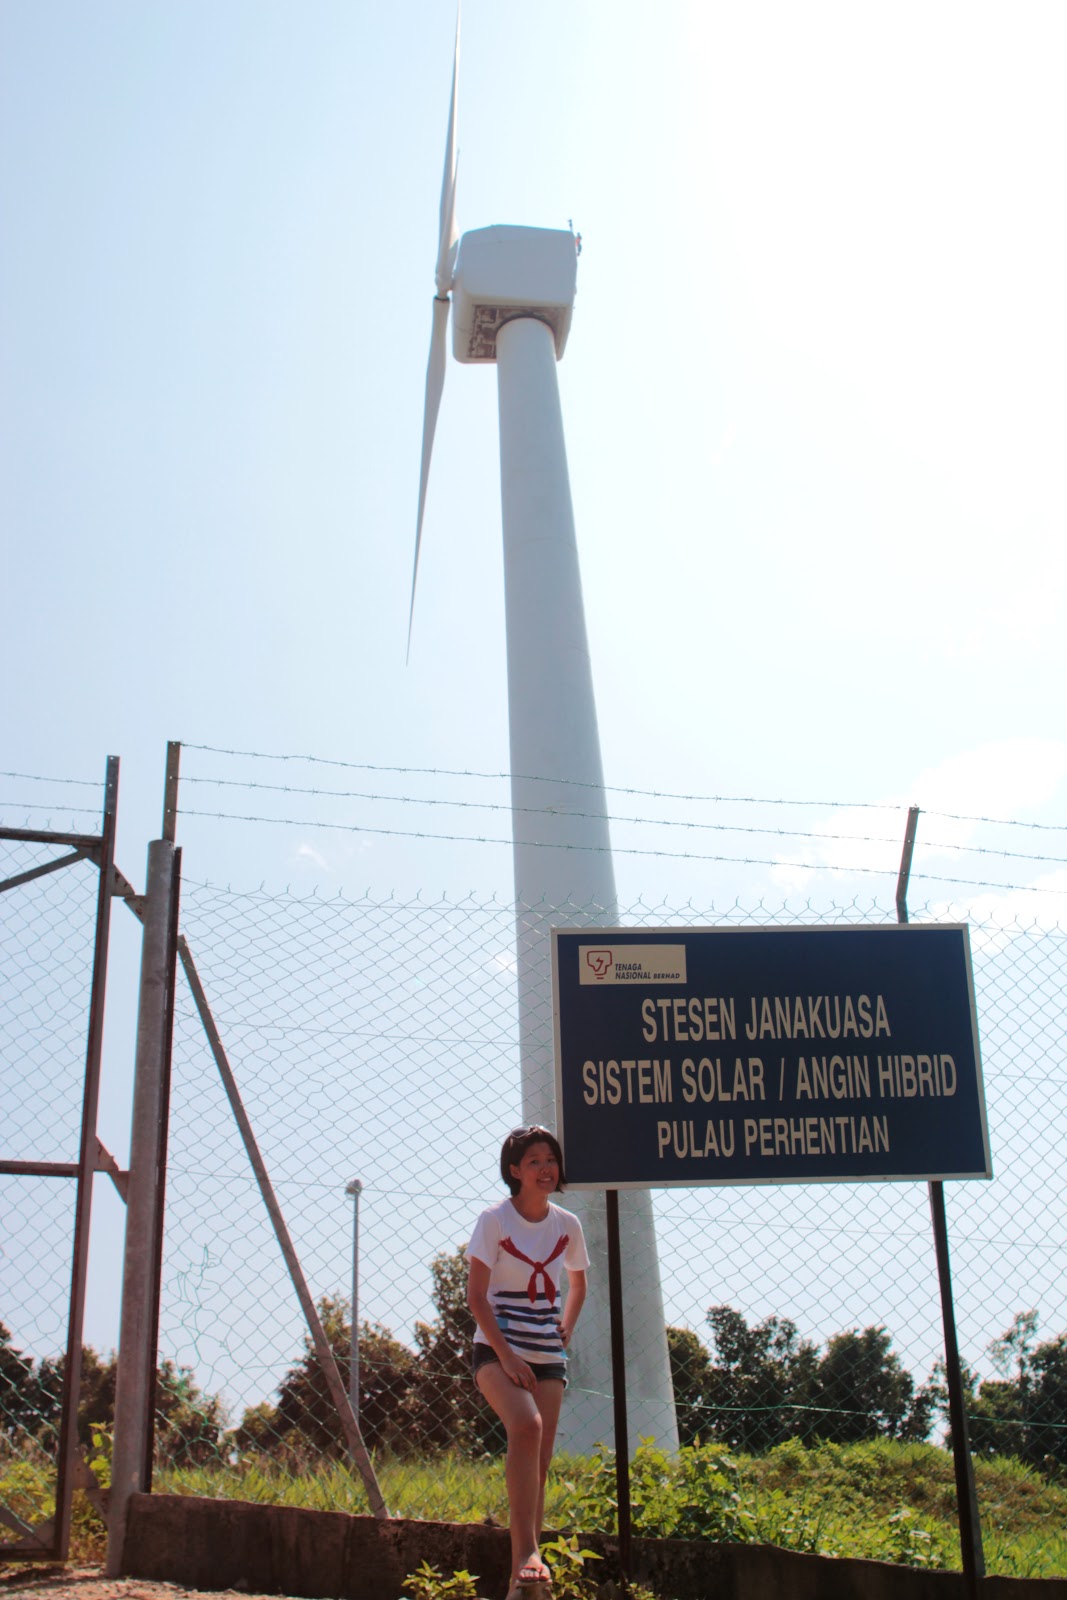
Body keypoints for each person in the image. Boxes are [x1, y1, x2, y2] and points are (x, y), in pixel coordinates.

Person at [467, 1126, 589, 1599]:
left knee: (539, 1461)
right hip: (497, 1350)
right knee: (526, 1426)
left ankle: (526, 1571)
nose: (546, 1168)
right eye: (534, 1161)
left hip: (547, 1353)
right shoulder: (494, 1221)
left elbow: (577, 1283)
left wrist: (567, 1327)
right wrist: (507, 1355)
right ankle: (525, 1556)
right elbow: (477, 1299)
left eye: (551, 1160)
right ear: (515, 1170)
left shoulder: (567, 1225)